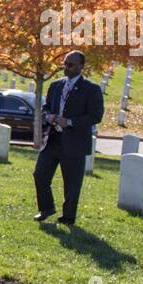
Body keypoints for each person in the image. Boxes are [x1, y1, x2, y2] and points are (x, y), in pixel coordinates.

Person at [33, 49, 104, 225]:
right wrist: (48, 116)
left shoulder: (91, 89)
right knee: (40, 174)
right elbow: (46, 108)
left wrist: (70, 122)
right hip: (52, 139)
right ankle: (46, 208)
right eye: (64, 63)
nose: (66, 67)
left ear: (81, 66)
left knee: (71, 184)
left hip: (74, 143)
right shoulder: (55, 85)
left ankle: (68, 217)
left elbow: (95, 116)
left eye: (70, 64)